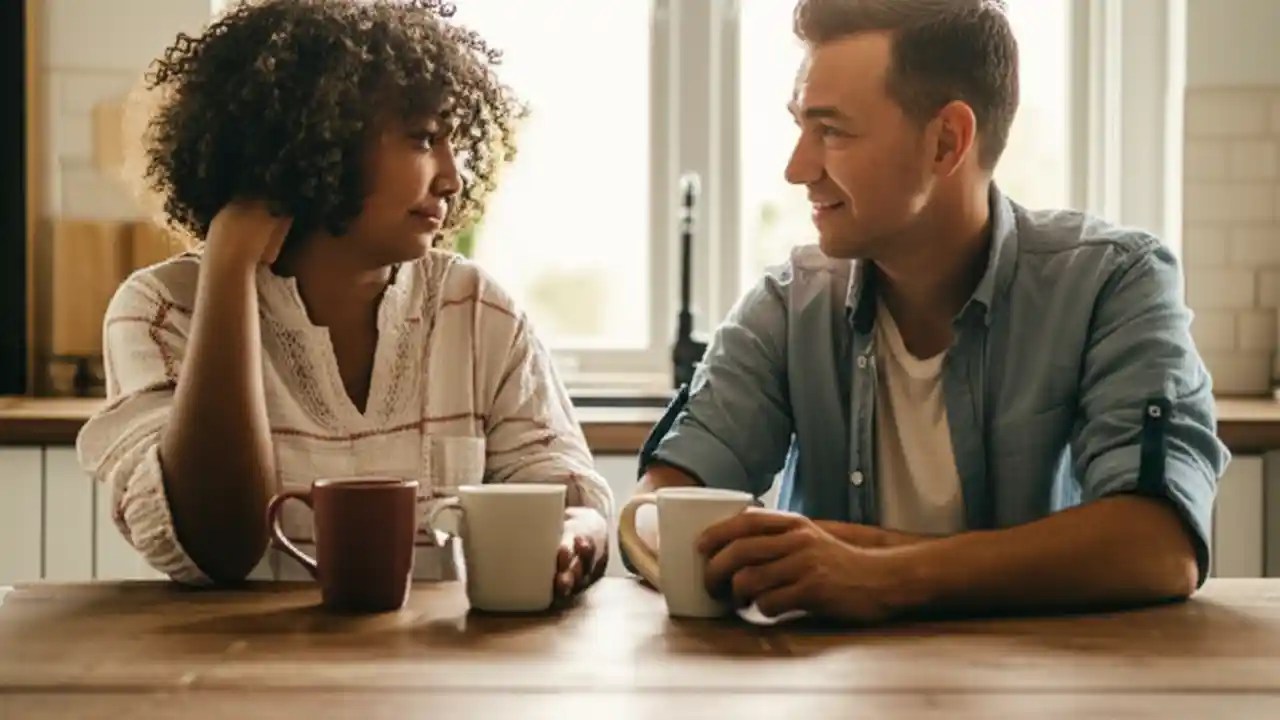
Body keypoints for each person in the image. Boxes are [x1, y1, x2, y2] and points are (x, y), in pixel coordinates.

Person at [629, 0, 1228, 622]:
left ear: (946, 141)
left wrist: (882, 572)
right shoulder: (788, 305)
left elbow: (1159, 545)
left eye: (831, 131)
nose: (797, 168)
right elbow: (654, 508)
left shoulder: (1114, 281)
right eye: (800, 127)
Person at [76, 0, 612, 597]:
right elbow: (218, 547)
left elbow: (570, 497)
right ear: (315, 139)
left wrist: (578, 534)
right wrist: (227, 266)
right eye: (425, 138)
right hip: (235, 680)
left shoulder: (478, 309)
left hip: (440, 682)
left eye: (453, 142)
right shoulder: (160, 310)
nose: (452, 177)